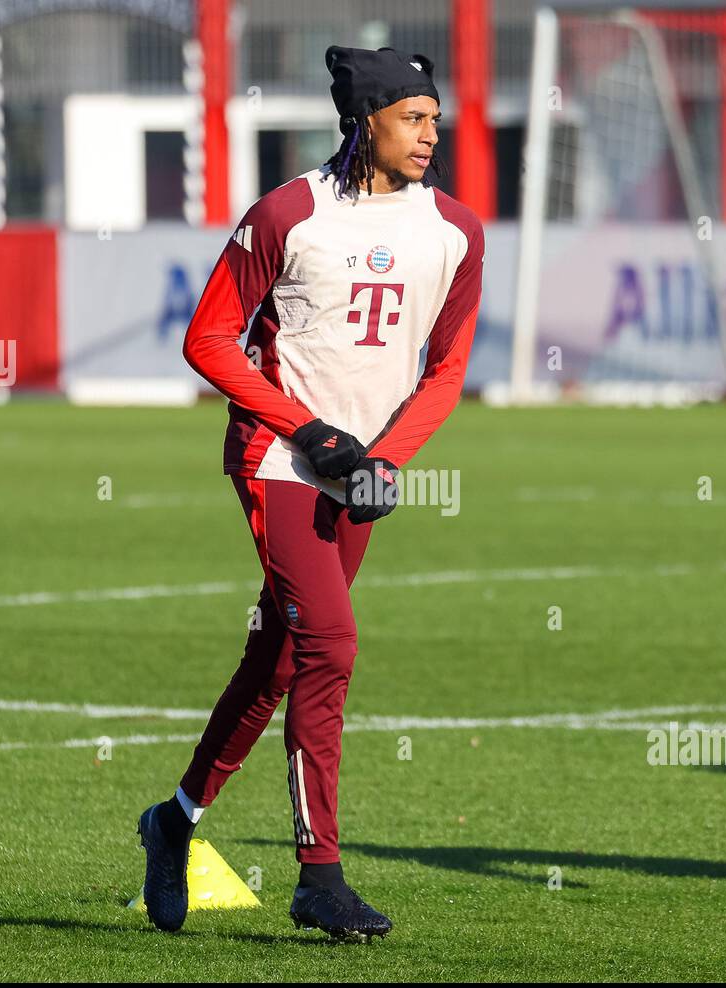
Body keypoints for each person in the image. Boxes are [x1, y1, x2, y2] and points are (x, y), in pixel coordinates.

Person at [138, 44, 484, 942]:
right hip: (277, 459)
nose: (428, 134)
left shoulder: (456, 231)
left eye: (434, 119)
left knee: (282, 660)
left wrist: (385, 458)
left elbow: (448, 371)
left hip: (359, 470)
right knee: (329, 641)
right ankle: (319, 875)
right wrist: (310, 431)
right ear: (363, 121)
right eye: (411, 118)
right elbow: (209, 339)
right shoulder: (287, 214)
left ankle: (171, 822)